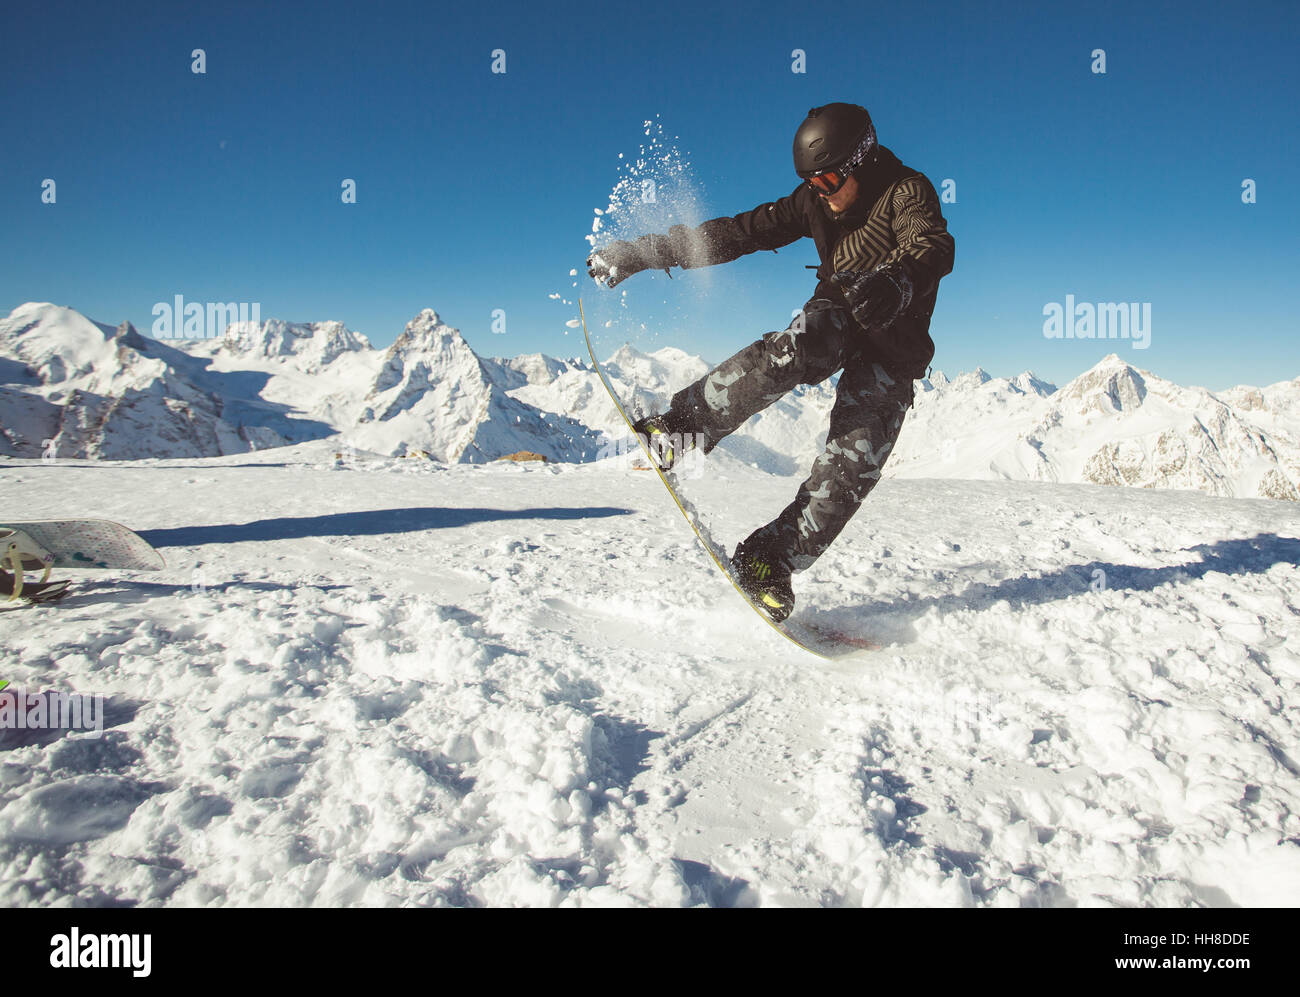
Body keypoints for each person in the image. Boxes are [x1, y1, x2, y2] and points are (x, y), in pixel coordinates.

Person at [587, 102, 955, 621]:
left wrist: (899, 280)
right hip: (840, 312)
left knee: (854, 468)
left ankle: (767, 557)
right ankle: (682, 426)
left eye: (829, 179)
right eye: (811, 182)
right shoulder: (813, 200)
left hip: (893, 344)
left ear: (862, 161)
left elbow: (933, 244)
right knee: (796, 348)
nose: (821, 194)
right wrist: (646, 252)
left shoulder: (905, 190)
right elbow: (741, 232)